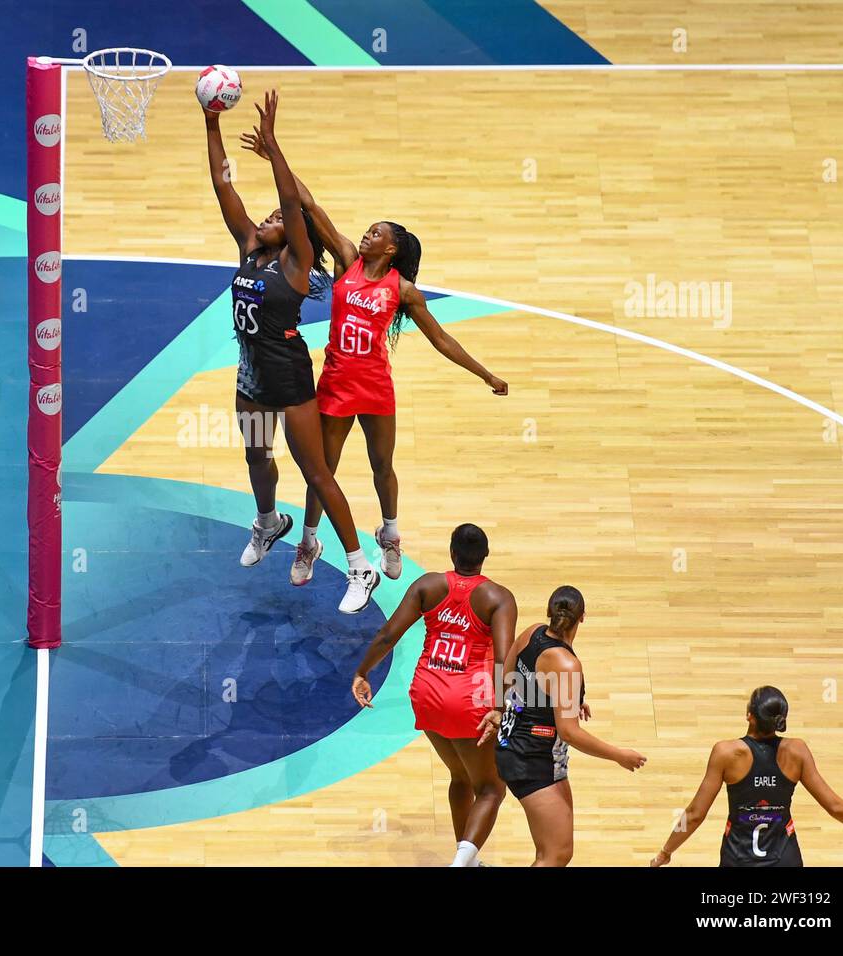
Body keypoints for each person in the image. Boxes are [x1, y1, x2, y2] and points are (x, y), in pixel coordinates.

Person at [238, 130, 507, 588]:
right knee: (323, 472)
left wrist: (485, 374)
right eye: (367, 229)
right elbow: (309, 203)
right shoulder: (346, 260)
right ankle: (307, 541)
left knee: (383, 465)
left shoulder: (403, 290)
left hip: (376, 387)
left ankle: (390, 533)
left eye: (376, 232)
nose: (366, 234)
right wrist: (275, 156)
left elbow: (441, 339)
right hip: (335, 384)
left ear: (392, 248)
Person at [203, 91, 379, 613]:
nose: (264, 218)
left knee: (316, 471)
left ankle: (359, 566)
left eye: (276, 217)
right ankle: (268, 523)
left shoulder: (298, 264)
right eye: (265, 215)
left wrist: (276, 147)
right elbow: (222, 182)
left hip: (290, 380)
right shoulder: (249, 249)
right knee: (258, 455)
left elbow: (293, 200)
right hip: (251, 380)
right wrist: (210, 122)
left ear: (293, 232)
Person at [352, 523, 516, 866]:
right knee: (490, 789)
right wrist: (499, 707)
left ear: (452, 553)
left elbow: (387, 636)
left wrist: (362, 672)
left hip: (425, 694)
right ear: (485, 557)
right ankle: (461, 862)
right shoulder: (498, 598)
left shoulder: (427, 585)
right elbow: (503, 658)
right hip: (468, 702)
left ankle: (468, 859)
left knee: (460, 777)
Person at [479, 586, 647, 866]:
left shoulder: (532, 632)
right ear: (582, 618)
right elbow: (570, 732)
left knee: (554, 851)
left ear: (549, 612)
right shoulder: (567, 665)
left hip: (512, 745)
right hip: (534, 760)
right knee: (554, 855)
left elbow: (505, 674)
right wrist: (619, 755)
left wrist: (502, 711)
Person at [650, 686, 843, 866]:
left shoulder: (726, 753)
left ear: (749, 715)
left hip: (738, 859)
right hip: (785, 859)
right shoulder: (796, 751)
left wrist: (666, 851)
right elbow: (835, 806)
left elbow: (694, 814)